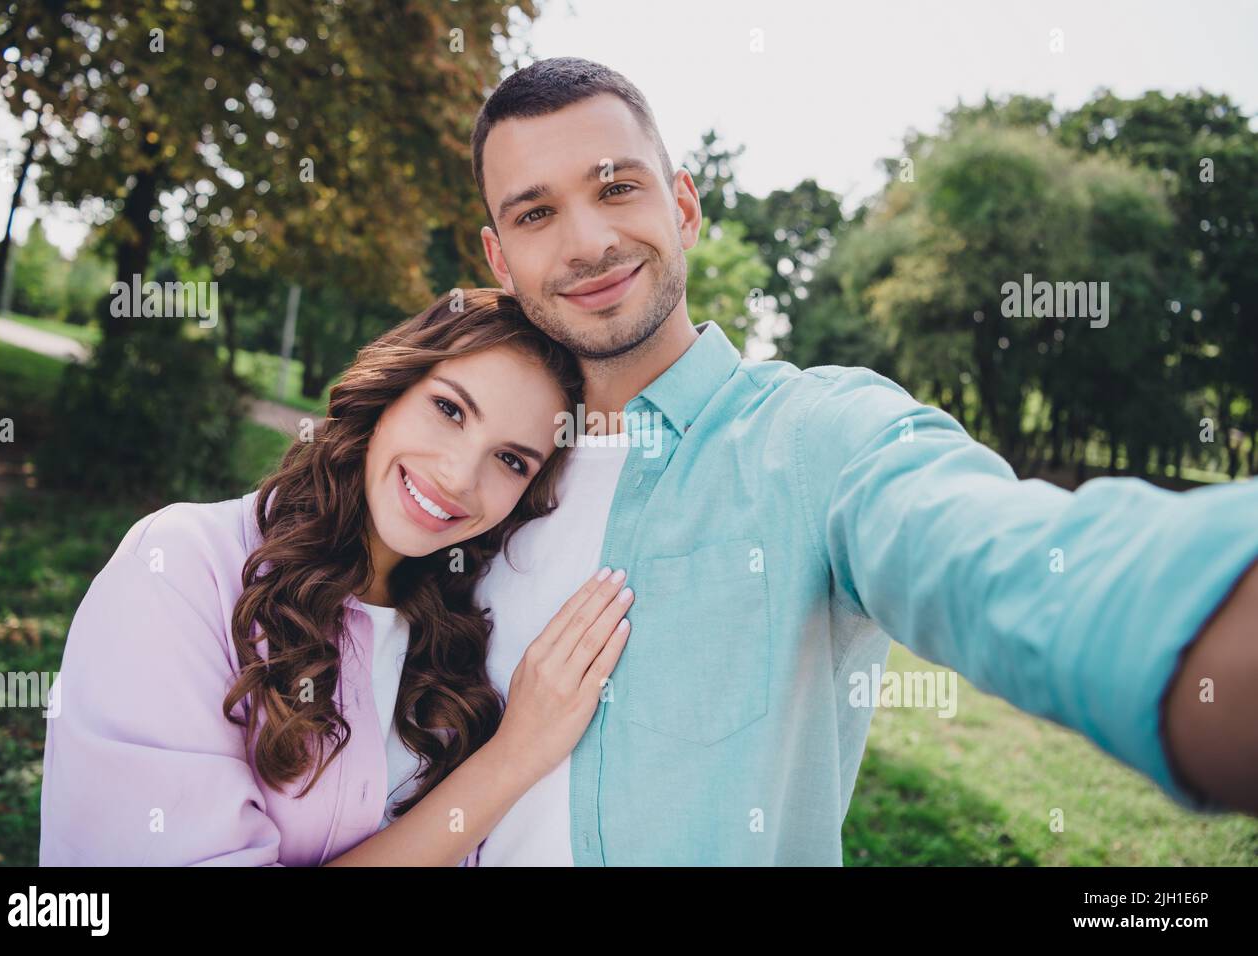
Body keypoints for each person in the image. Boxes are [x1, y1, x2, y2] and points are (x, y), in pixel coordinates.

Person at [461, 57, 1258, 865]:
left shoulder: (816, 439)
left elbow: (989, 551)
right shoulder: (478, 482)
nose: (588, 242)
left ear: (684, 205)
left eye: (617, 189)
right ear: (499, 260)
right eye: (536, 214)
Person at [38, 288, 635, 866]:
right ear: (390, 392)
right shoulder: (181, 569)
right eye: (449, 409)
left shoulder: (463, 631)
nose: (457, 477)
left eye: (511, 460)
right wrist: (514, 756)